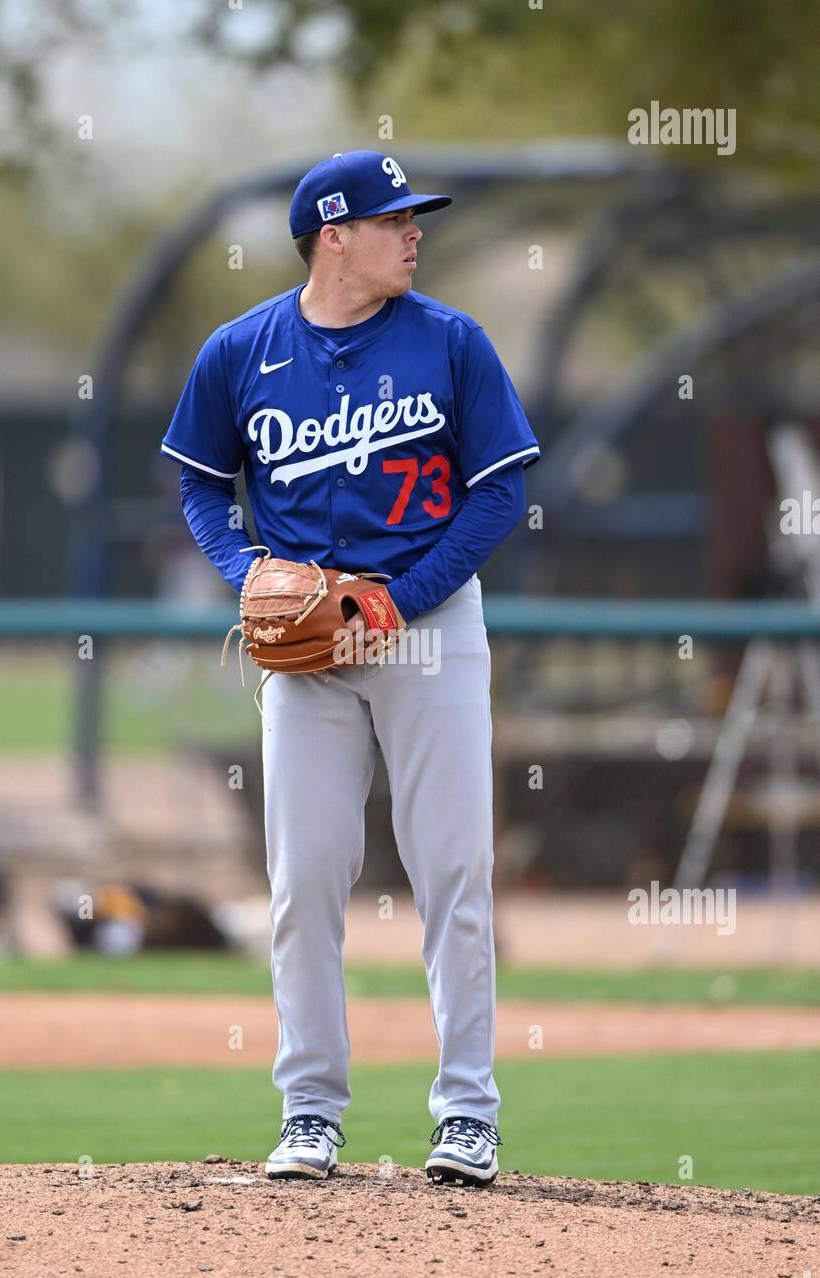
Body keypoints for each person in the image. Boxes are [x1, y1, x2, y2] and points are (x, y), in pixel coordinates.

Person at [162, 150, 541, 1187]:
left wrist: (402, 599)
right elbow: (200, 484)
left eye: (414, 217)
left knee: (452, 871)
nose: (414, 232)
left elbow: (498, 495)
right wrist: (246, 569)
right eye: (393, 219)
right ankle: (309, 1111)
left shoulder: (451, 342)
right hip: (304, 648)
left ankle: (466, 1111)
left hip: (427, 628)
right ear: (334, 234)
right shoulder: (242, 351)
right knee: (304, 879)